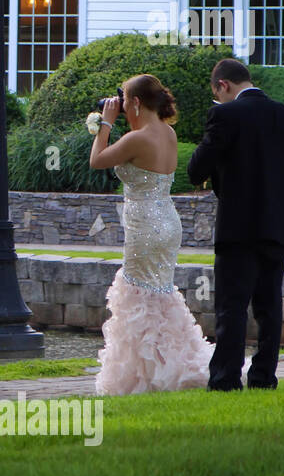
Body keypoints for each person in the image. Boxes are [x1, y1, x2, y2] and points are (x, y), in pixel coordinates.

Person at [187, 58, 284, 391]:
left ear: (222, 85)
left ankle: (226, 379)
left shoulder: (225, 115)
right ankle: (263, 378)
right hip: (278, 228)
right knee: (269, 307)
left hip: (237, 229)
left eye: (217, 95)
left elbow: (196, 169)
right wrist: (278, 205)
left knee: (232, 306)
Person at [88, 74, 213, 394]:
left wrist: (105, 123)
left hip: (145, 226)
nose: (122, 106)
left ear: (136, 103)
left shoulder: (136, 139)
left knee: (138, 292)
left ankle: (146, 374)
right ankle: (173, 361)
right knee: (159, 292)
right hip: (168, 222)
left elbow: (96, 160)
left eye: (125, 100)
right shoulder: (168, 133)